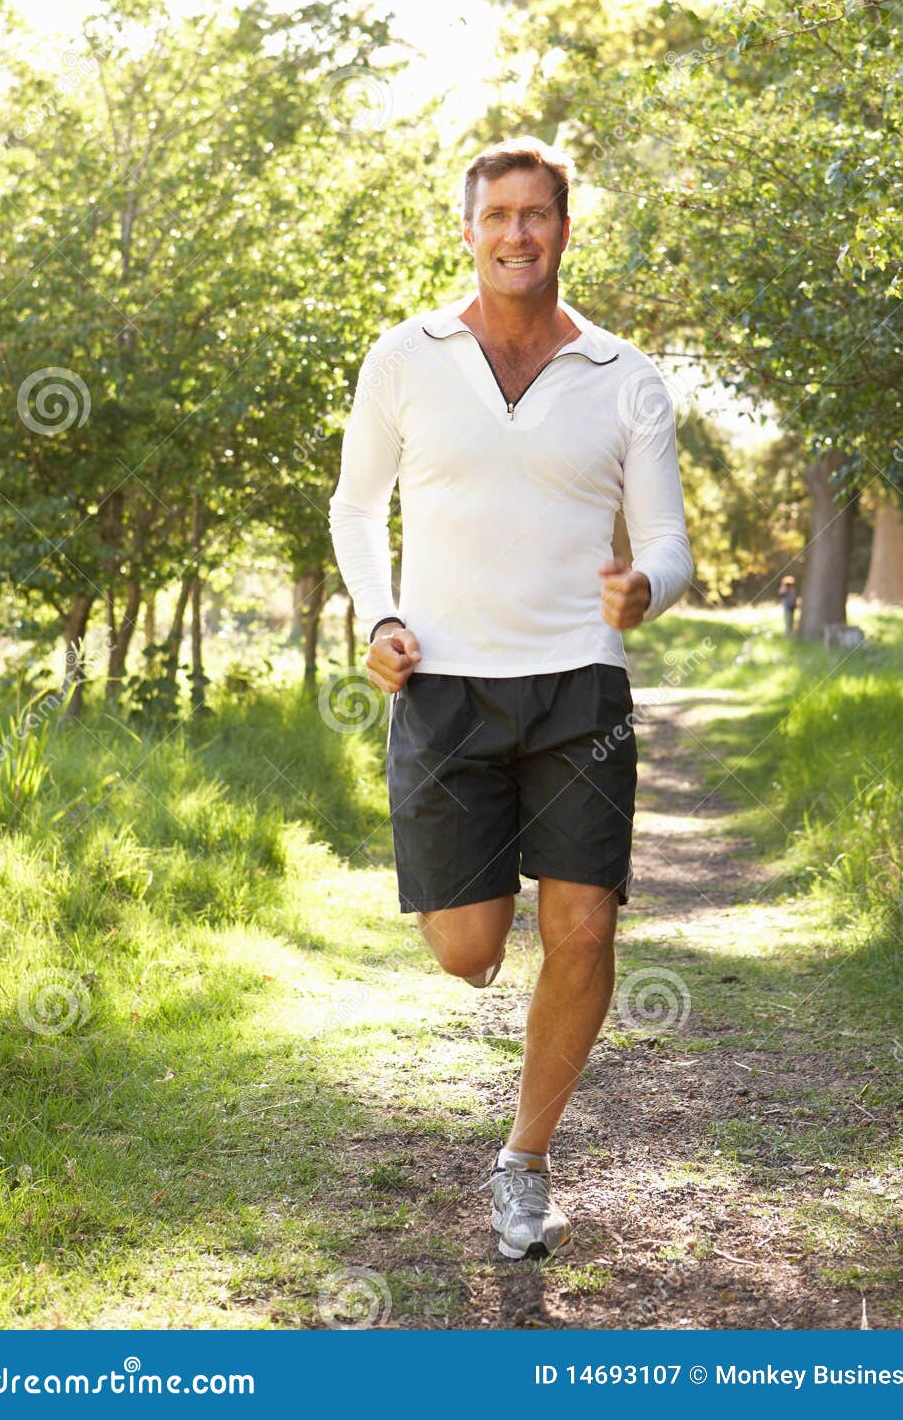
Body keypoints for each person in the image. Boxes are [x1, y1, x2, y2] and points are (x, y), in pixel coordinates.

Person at [328, 136, 693, 1262]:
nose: (517, 235)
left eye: (537, 215)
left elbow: (671, 545)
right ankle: (482, 929)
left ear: (563, 231)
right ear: (468, 228)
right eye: (498, 216)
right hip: (443, 683)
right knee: (464, 948)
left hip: (579, 682)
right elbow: (354, 509)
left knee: (580, 925)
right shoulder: (405, 357)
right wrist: (380, 619)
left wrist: (645, 588)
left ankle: (523, 1161)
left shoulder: (624, 376)